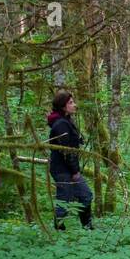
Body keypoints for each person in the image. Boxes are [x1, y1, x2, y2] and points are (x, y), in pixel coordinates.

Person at [47, 92, 93, 230]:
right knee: (64, 200)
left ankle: (87, 227)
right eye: (71, 103)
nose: (74, 105)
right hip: (62, 169)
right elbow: (66, 150)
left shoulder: (66, 121)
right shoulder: (61, 124)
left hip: (68, 168)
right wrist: (75, 171)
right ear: (63, 106)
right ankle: (58, 230)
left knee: (86, 195)